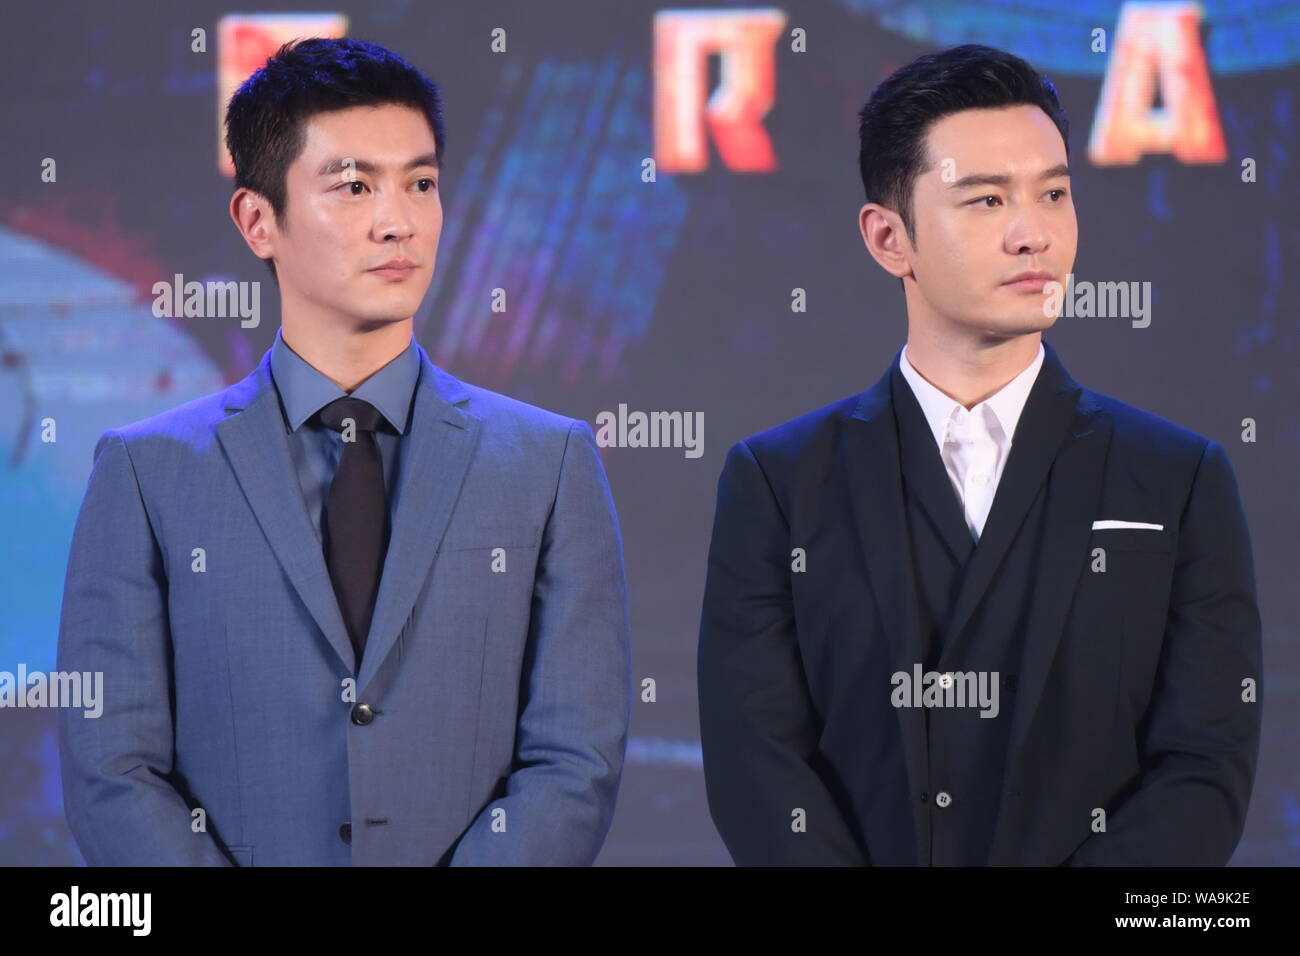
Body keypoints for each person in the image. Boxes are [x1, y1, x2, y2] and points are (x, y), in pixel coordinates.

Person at [57, 37, 631, 866]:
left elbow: (575, 760)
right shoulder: (148, 473)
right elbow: (112, 767)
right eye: (355, 186)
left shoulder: (549, 463)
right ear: (259, 221)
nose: (399, 222)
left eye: (421, 184)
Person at [697, 44, 1261, 866]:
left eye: (1054, 194)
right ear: (889, 238)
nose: (1034, 235)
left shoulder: (1178, 479)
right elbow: (757, 770)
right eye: (988, 199)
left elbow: (1204, 770)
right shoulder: (779, 483)